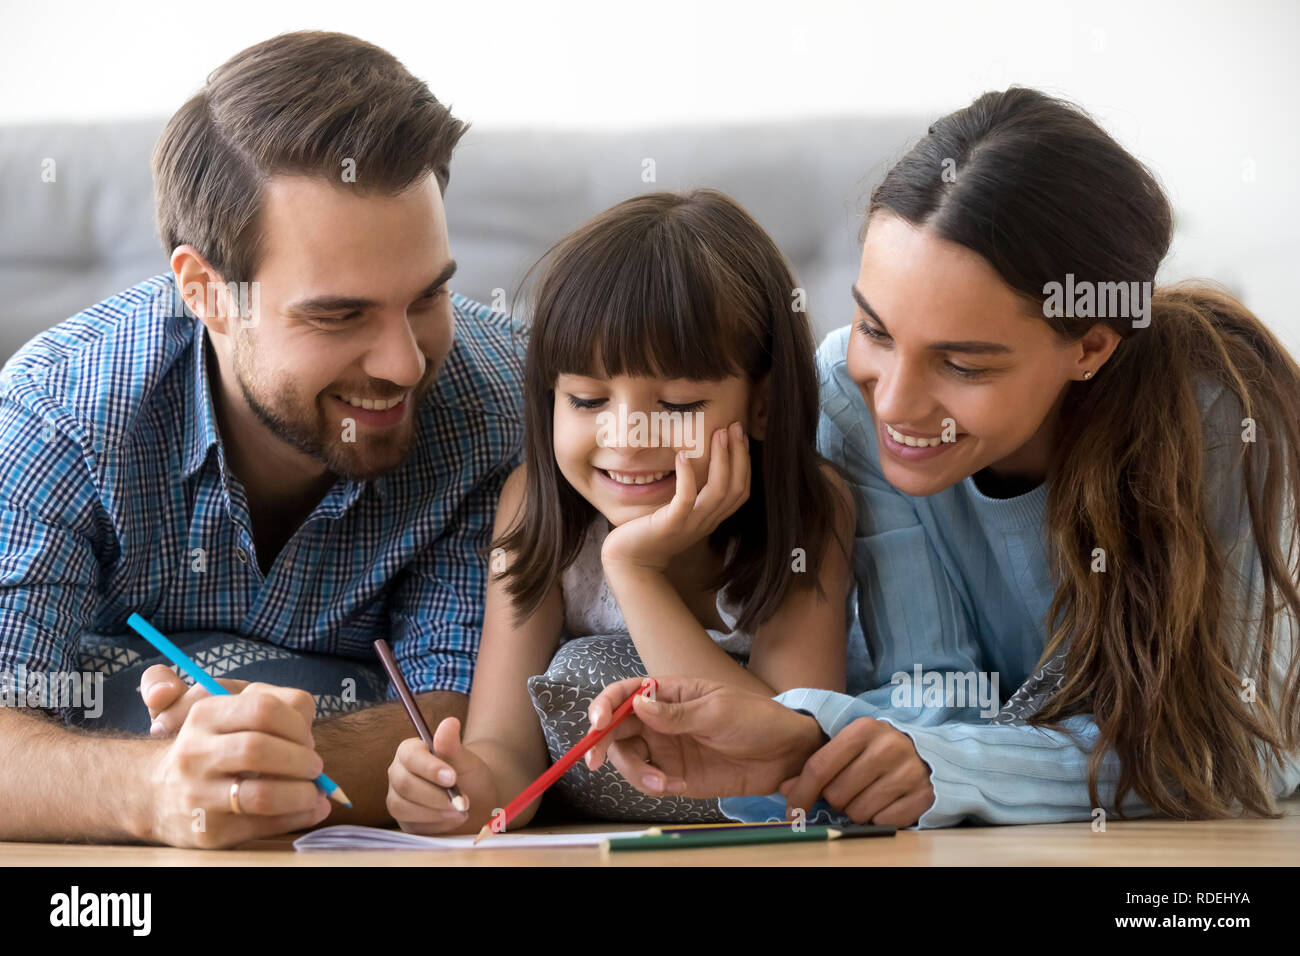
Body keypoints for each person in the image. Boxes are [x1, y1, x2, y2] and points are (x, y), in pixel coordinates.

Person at [583, 88, 1300, 828]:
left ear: (1089, 345)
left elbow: (1239, 751)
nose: (893, 403)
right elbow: (931, 698)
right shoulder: (845, 397)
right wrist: (825, 744)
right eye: (875, 329)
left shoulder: (1220, 418)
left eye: (962, 364)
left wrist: (943, 766)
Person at [0, 31, 524, 847]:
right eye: (339, 314)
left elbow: (454, 720)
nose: (405, 362)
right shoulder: (59, 413)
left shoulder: (496, 408)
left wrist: (254, 756)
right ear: (206, 292)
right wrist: (156, 788)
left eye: (427, 298)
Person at [384, 189, 855, 834]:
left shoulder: (810, 512)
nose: (628, 437)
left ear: (764, 405)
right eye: (585, 399)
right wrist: (463, 788)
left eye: (681, 405)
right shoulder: (534, 504)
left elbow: (783, 749)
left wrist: (635, 570)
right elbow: (506, 751)